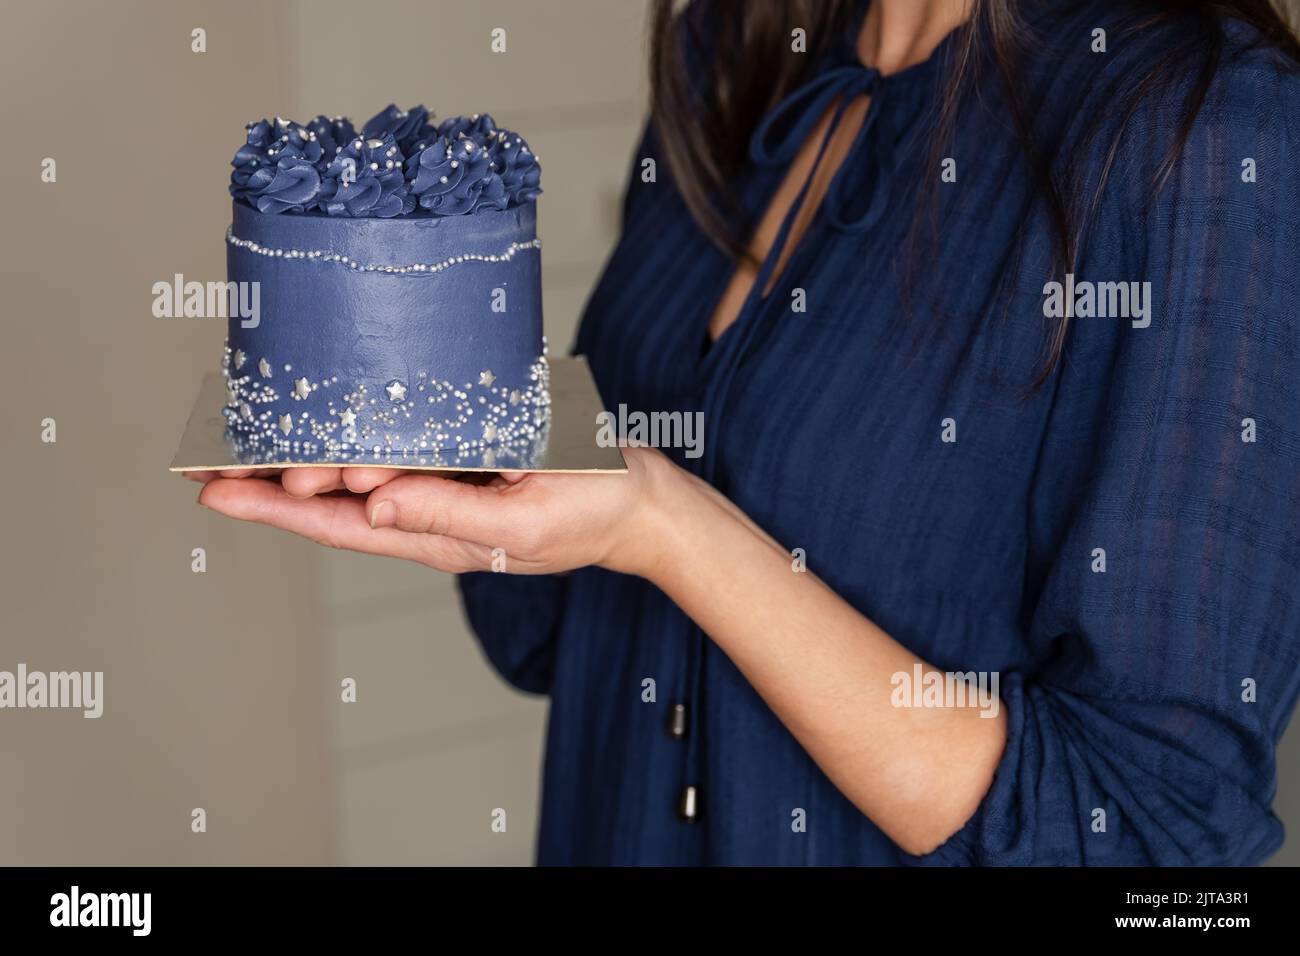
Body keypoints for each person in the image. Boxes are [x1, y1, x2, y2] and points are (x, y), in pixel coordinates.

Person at [195, 0, 1300, 865]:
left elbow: (1148, 831)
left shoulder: (1209, 131)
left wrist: (668, 529)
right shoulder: (728, 49)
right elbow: (544, 634)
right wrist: (423, 408)